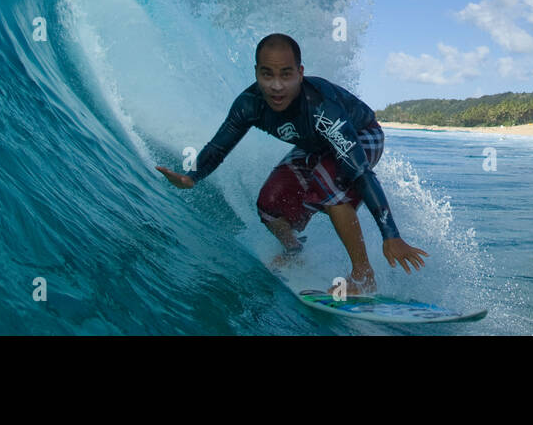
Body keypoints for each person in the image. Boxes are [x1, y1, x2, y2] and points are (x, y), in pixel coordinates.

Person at [156, 33, 428, 294]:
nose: (276, 86)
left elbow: (359, 172)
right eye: (267, 74)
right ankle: (294, 251)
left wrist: (390, 234)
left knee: (328, 182)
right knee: (269, 204)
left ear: (300, 73)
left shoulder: (321, 108)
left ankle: (363, 276)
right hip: (316, 145)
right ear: (256, 72)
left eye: (286, 74)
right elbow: (219, 146)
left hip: (362, 135)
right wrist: (192, 177)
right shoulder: (248, 105)